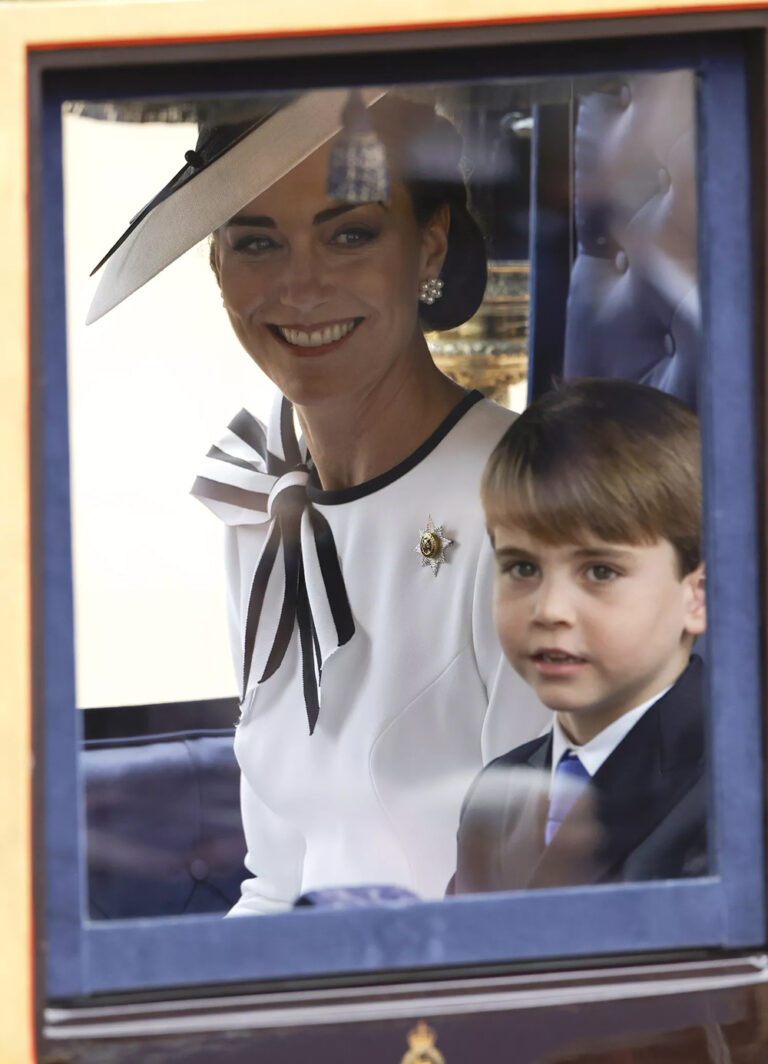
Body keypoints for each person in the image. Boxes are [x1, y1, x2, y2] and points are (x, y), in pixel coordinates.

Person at [88, 88, 547, 914]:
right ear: (216, 265)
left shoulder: (528, 503)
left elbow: (532, 914)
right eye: (257, 241)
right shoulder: (261, 497)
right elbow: (276, 882)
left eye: (350, 235)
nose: (299, 288)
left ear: (429, 247)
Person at [449, 378, 708, 895]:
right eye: (522, 567)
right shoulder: (496, 791)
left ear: (696, 596)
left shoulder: (736, 785)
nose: (550, 610)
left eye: (600, 572)